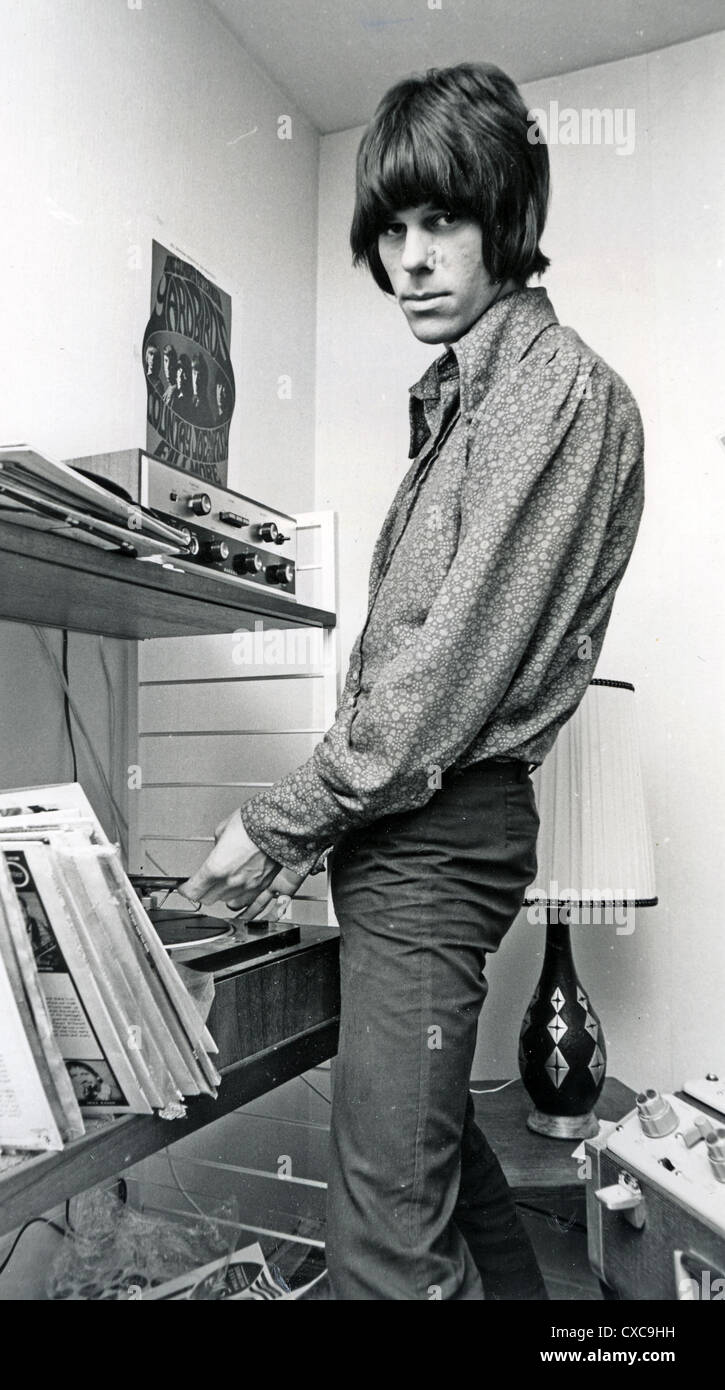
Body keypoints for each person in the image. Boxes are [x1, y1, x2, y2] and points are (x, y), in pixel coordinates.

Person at [183, 61, 645, 1300]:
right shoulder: (465, 402)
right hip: (405, 826)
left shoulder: (550, 394)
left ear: (506, 219)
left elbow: (440, 681)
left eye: (439, 221)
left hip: (439, 832)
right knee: (425, 1157)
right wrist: (304, 839)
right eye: (390, 231)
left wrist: (272, 820)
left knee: (384, 1244)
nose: (409, 261)